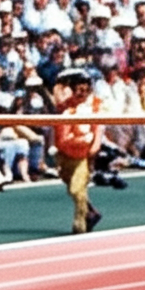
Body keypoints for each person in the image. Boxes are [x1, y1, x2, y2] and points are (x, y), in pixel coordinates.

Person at [52, 68, 104, 234]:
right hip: (65, 155)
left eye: (85, 89)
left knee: (77, 188)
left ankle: (80, 225)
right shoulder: (67, 106)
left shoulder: (95, 106)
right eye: (78, 89)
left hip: (83, 155)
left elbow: (98, 130)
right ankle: (91, 212)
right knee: (73, 189)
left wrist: (93, 151)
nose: (82, 93)